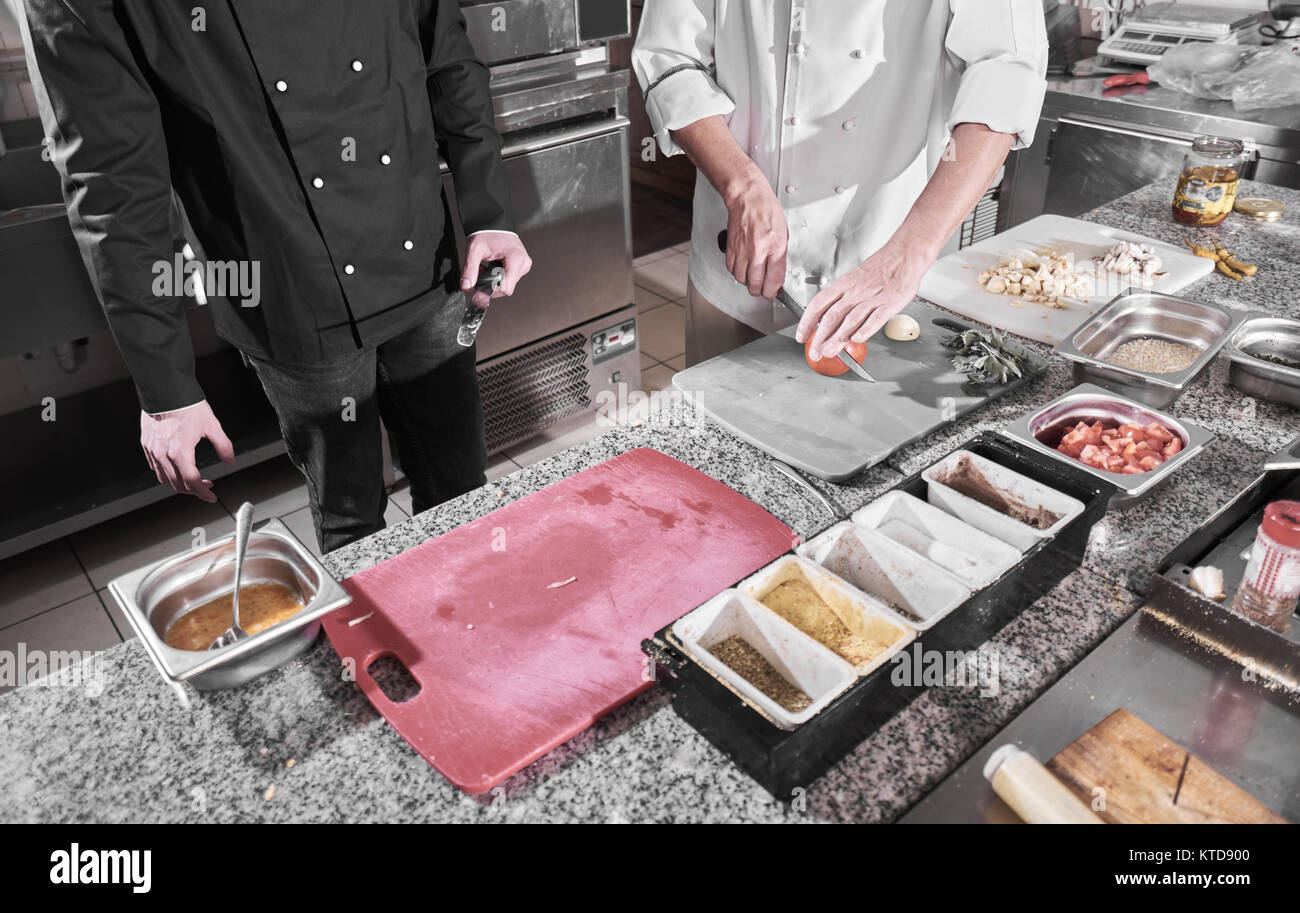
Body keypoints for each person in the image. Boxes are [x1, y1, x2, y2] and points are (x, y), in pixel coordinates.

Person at [20, 0, 532, 552]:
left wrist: (488, 210)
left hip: (425, 259)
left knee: (464, 499)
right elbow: (111, 179)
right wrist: (165, 387)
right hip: (288, 291)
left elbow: (446, 55)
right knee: (353, 523)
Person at [632, 0, 1049, 366]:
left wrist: (909, 254)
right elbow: (668, 54)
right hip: (733, 265)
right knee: (714, 448)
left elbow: (1006, 73)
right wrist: (739, 185)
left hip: (891, 268)